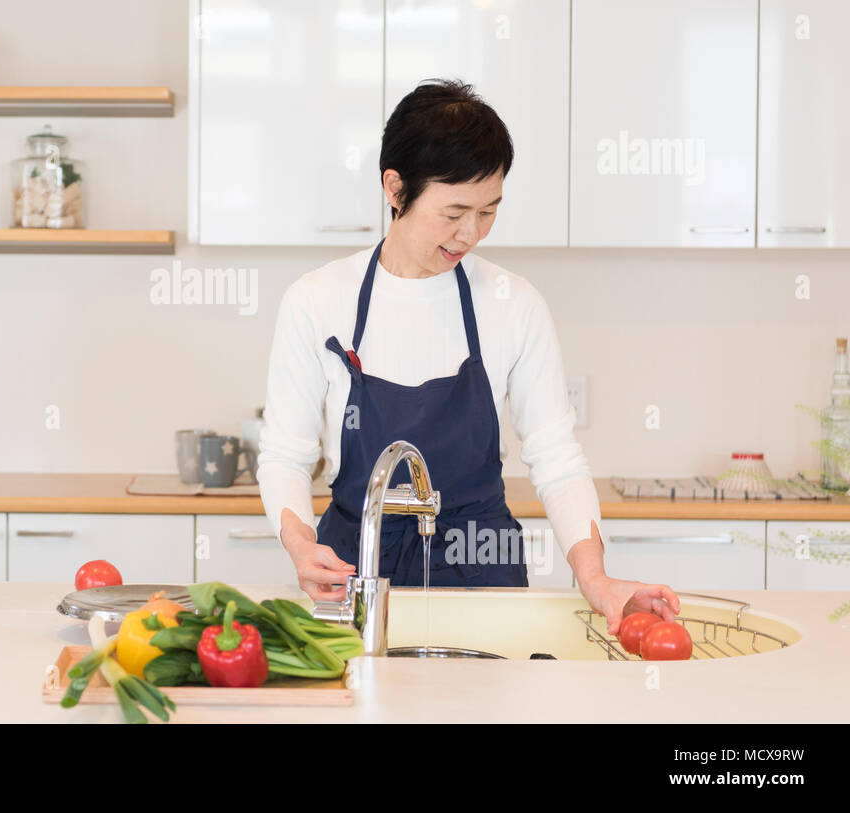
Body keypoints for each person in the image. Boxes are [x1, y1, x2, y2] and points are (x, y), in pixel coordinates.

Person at [257, 79, 679, 635]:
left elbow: (555, 455)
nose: (471, 234)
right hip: (353, 570)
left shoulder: (515, 305)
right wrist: (300, 545)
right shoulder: (316, 300)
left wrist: (594, 578)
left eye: (489, 211)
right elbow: (286, 453)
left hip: (481, 566)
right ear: (395, 188)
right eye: (454, 212)